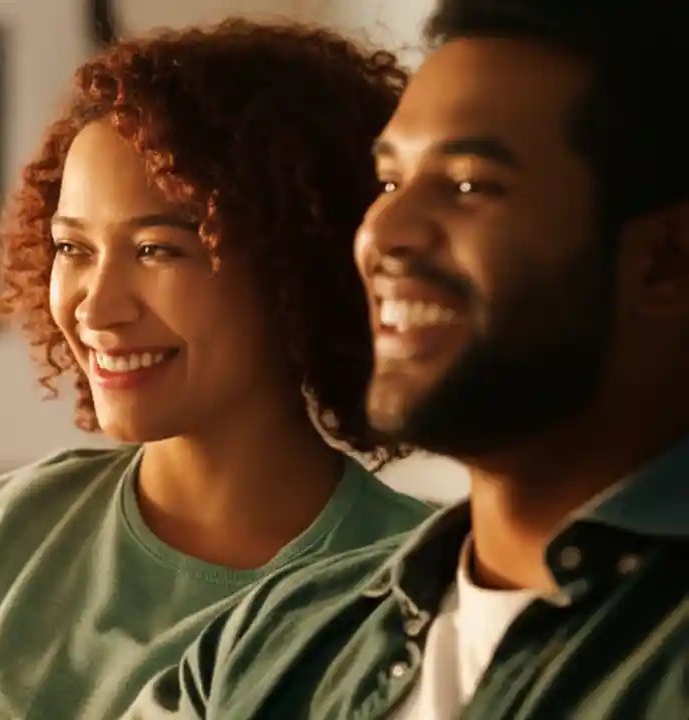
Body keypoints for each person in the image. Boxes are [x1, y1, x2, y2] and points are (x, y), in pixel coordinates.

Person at [125, 1, 689, 717]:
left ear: (664, 261)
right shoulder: (275, 639)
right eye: (389, 183)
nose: (382, 234)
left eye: (468, 186)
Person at [0, 19, 433, 719]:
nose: (97, 308)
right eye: (72, 249)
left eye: (157, 251)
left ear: (298, 269)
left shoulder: (416, 582)